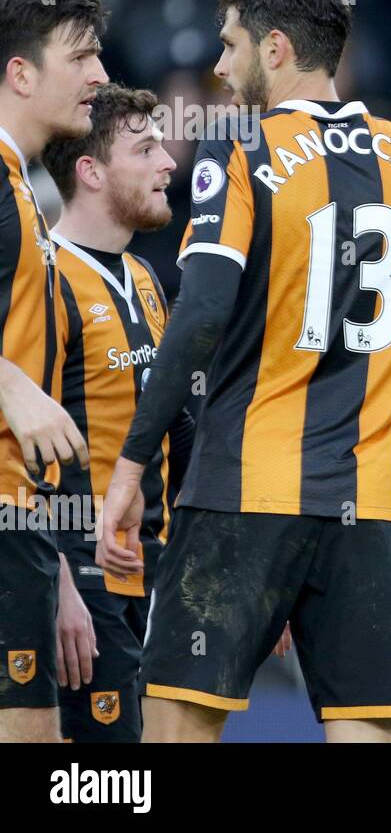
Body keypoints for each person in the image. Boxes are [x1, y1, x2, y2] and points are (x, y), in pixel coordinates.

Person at [96, 0, 391, 743]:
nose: (219, 63)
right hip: (371, 509)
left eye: (230, 43)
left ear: (275, 49)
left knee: (170, 735)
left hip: (243, 491)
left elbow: (198, 318)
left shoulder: (241, 151)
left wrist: (132, 468)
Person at [41, 82, 194, 742]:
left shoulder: (145, 278)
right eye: (146, 147)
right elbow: (20, 450)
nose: (168, 162)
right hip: (81, 578)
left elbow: (177, 429)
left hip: (152, 576)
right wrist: (57, 587)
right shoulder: (43, 279)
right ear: (91, 170)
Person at [0, 0, 107, 743]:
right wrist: (8, 384)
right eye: (81, 58)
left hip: (24, 519)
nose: (100, 77)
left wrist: (59, 570)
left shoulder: (26, 189)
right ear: (20, 72)